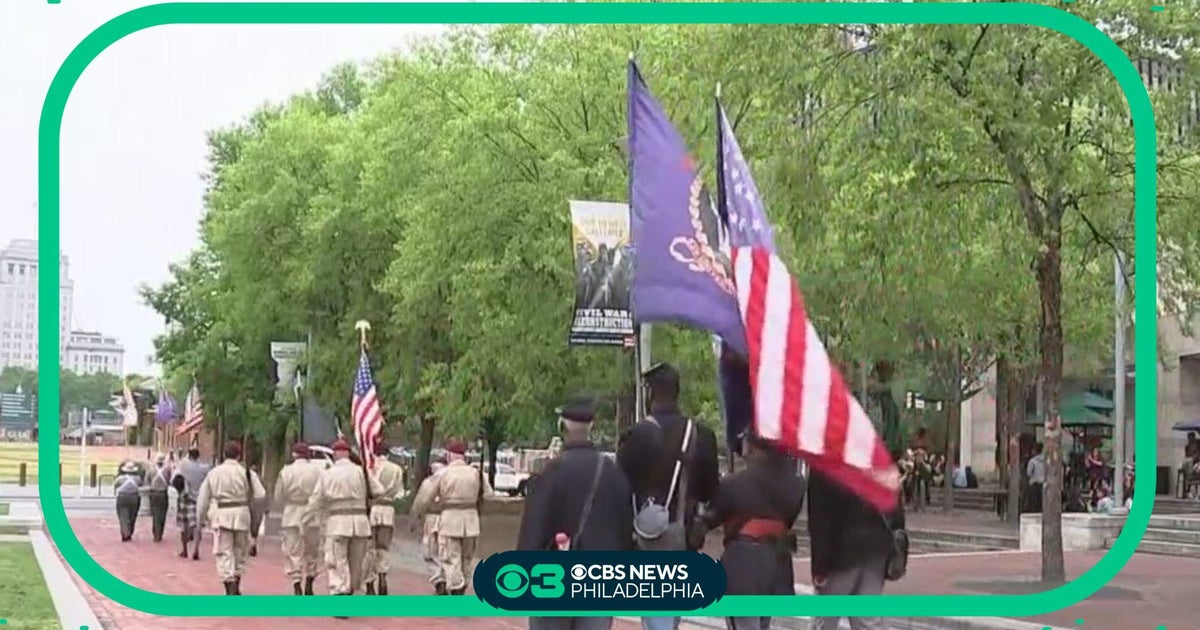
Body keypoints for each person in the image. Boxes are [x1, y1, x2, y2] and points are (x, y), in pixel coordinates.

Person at [617, 362, 720, 630]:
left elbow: (620, 489)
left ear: (651, 394)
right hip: (681, 535)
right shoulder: (702, 436)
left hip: (643, 538)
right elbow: (710, 490)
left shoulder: (634, 436)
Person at [517, 398, 634, 630]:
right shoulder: (612, 471)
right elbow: (625, 525)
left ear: (562, 427)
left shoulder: (550, 472)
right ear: (592, 428)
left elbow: (535, 527)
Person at [702, 431, 805, 630]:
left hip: (743, 562)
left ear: (752, 446)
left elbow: (711, 518)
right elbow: (790, 519)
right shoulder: (796, 484)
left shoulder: (734, 483)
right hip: (776, 562)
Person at [808, 467, 905, 630]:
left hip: (840, 555)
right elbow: (895, 507)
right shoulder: (874, 455)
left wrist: (819, 567)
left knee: (825, 620)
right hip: (876, 550)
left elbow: (820, 520)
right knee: (868, 621)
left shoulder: (824, 463)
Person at [411, 437, 491, 596]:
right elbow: (489, 494)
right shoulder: (477, 474)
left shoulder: (443, 474)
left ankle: (456, 587)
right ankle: (463, 583)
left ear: (449, 455)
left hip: (449, 520)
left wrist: (416, 514)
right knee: (466, 558)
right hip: (471, 521)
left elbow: (425, 497)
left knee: (450, 557)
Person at [307, 438, 384, 598]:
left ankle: (340, 590)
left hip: (337, 521)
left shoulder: (328, 473)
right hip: (360, 522)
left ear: (335, 454)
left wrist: (307, 518)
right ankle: (351, 588)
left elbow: (316, 499)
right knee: (356, 562)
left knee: (336, 560)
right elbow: (379, 490)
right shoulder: (361, 471)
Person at [196, 441, 267, 595]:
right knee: (240, 551)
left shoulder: (214, 473)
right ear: (239, 455)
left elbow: (203, 498)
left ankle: (229, 585)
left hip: (222, 513)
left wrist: (200, 518)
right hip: (242, 513)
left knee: (224, 550)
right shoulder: (247, 473)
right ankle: (237, 580)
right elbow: (260, 494)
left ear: (224, 454)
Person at [274, 441, 322, 595]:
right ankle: (309, 580)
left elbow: (278, 495)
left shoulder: (286, 471)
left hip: (292, 513)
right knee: (312, 550)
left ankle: (296, 582)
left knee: (293, 550)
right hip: (312, 513)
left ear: (294, 454)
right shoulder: (317, 471)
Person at [364, 441, 406, 596]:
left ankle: (369, 582)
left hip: (372, 509)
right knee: (384, 547)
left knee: (369, 548)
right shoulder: (397, 469)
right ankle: (383, 577)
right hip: (388, 510)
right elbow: (399, 492)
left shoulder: (369, 468)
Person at [411, 457, 448, 594]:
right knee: (447, 551)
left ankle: (439, 581)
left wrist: (415, 518)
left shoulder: (429, 482)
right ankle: (448, 579)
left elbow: (421, 502)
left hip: (432, 517)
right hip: (449, 517)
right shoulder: (452, 481)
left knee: (430, 551)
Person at [172, 447, 211, 560]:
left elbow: (175, 477)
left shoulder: (183, 465)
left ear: (189, 455)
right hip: (199, 500)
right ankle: (196, 550)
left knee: (183, 525)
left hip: (185, 498)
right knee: (197, 526)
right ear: (198, 456)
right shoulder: (204, 469)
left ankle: (184, 550)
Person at [114, 461, 143, 542]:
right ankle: (129, 531)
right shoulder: (137, 478)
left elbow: (116, 485)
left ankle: (125, 532)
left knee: (123, 516)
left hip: (122, 497)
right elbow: (141, 484)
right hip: (134, 497)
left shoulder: (120, 478)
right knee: (132, 516)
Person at [147, 453, 172, 543]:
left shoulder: (151, 470)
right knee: (162, 514)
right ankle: (160, 532)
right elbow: (169, 481)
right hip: (163, 493)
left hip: (153, 493)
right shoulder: (167, 470)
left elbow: (147, 480)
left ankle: (155, 532)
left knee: (155, 514)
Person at [1025, 443, 1046, 514]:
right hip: (1043, 484)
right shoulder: (1045, 461)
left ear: (1035, 450)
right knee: (1041, 503)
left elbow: (1028, 473)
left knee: (1033, 502)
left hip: (1034, 484)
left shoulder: (1032, 461)